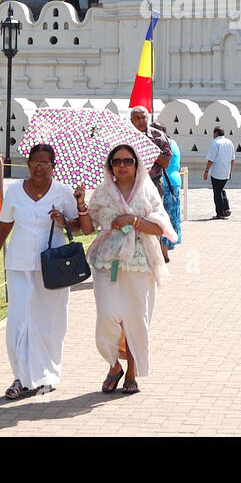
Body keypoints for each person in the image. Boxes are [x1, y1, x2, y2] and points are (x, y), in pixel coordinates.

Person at [0, 144, 87, 400]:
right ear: (28, 164)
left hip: (53, 268)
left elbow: (82, 227)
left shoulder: (63, 192)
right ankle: (20, 377)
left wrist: (64, 220)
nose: (39, 168)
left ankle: (46, 376)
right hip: (19, 264)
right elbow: (5, 224)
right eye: (35, 163)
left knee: (49, 323)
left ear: (54, 166)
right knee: (18, 322)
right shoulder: (14, 191)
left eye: (45, 163)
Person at [80, 142, 177, 395]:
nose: (122, 166)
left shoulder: (147, 191)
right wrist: (80, 203)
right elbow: (88, 227)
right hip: (107, 262)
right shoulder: (102, 193)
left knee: (135, 319)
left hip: (140, 261)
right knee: (107, 317)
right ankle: (114, 365)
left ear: (137, 165)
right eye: (117, 161)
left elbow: (161, 229)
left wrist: (133, 220)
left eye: (128, 161)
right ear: (110, 166)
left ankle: (131, 373)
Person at [130, 106, 174, 252]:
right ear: (131, 120)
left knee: (154, 218)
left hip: (153, 183)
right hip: (131, 185)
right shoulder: (126, 136)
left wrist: (148, 148)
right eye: (137, 118)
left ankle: (156, 252)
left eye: (144, 117)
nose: (141, 121)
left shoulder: (157, 136)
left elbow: (166, 162)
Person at [204, 125, 235, 218]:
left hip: (216, 172)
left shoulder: (215, 143)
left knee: (217, 193)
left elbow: (211, 159)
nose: (213, 135)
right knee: (221, 190)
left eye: (213, 133)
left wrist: (206, 171)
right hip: (226, 171)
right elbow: (232, 159)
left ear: (216, 133)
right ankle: (226, 208)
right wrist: (230, 171)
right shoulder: (230, 142)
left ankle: (220, 213)